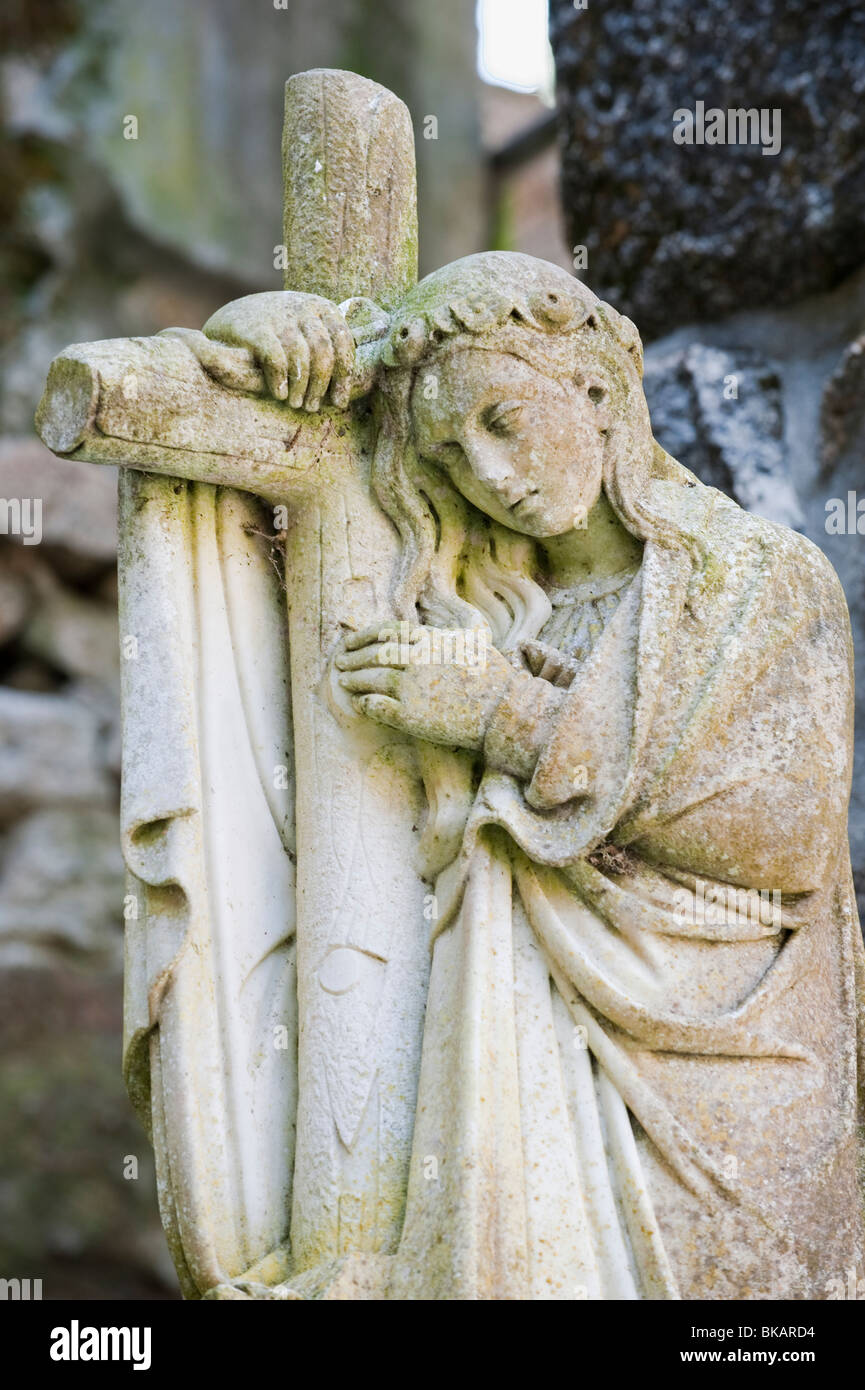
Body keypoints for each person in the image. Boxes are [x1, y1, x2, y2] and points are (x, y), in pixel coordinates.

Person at [195, 251, 864, 1299]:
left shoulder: (757, 578)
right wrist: (261, 328)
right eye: (452, 458)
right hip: (514, 1072)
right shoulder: (477, 601)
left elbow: (779, 834)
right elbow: (295, 552)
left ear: (594, 393)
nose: (490, 477)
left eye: (503, 420)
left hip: (727, 1086)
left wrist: (502, 713)